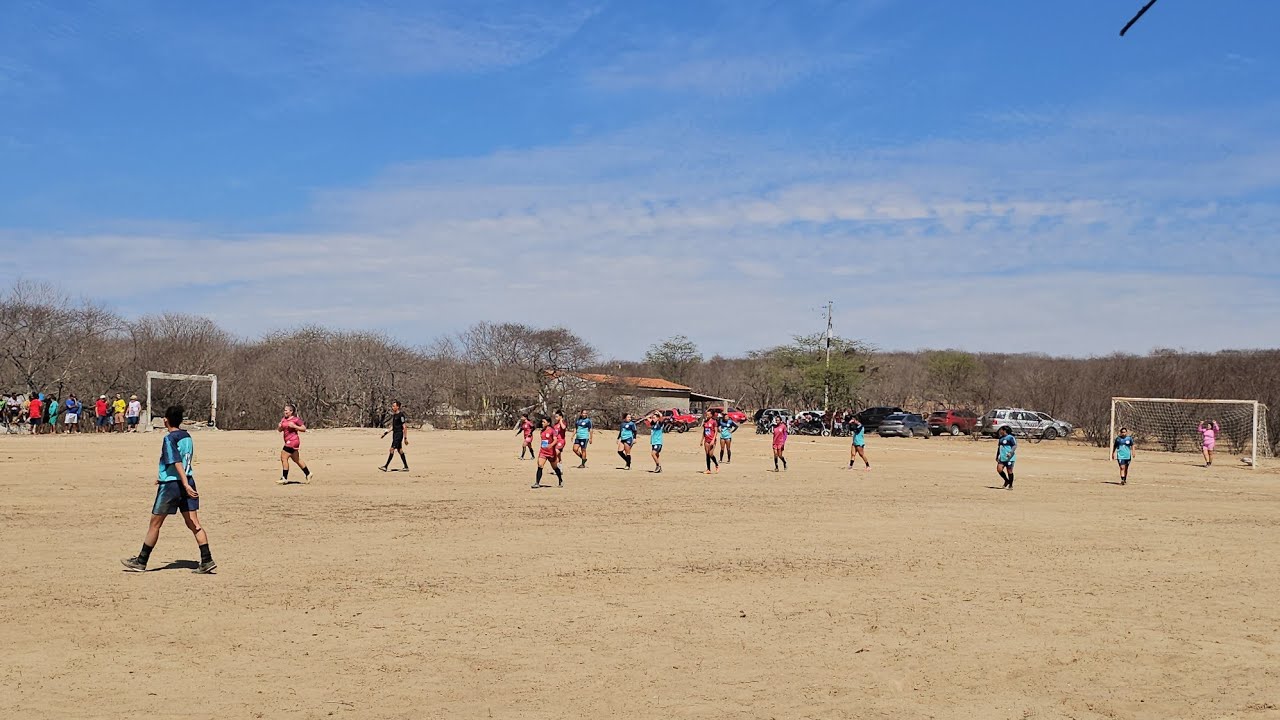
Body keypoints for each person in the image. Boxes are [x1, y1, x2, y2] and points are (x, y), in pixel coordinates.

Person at [120, 405, 216, 574]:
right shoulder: (187, 436)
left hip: (173, 486)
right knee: (194, 523)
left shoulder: (169, 438)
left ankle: (141, 561)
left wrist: (182, 483)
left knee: (155, 524)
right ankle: (206, 559)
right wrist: (168, 477)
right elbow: (184, 462)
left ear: (166, 420)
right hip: (187, 481)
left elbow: (176, 461)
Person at [277, 403, 313, 485]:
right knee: (296, 459)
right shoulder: (284, 419)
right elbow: (280, 430)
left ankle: (284, 478)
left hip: (293, 441)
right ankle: (308, 473)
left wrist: (295, 426)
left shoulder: (296, 420)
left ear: (291, 411)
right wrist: (279, 427)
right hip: (288, 441)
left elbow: (303, 428)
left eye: (286, 410)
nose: (285, 412)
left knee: (284, 457)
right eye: (284, 410)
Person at [532, 416, 564, 489]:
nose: (542, 423)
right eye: (542, 422)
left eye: (544, 422)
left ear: (548, 423)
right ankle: (537, 483)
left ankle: (560, 480)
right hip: (543, 451)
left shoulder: (552, 431)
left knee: (555, 468)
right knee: (540, 465)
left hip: (551, 452)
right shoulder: (542, 431)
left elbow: (555, 440)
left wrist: (551, 445)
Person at [379, 400, 410, 472]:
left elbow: (404, 427)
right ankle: (406, 467)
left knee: (391, 449)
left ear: (398, 407)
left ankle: (386, 466)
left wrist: (405, 438)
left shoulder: (401, 415)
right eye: (392, 406)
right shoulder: (394, 415)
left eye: (394, 406)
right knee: (400, 450)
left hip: (399, 435)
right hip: (395, 434)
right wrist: (385, 433)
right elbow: (393, 427)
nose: (392, 407)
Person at [701, 410, 720, 474]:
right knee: (707, 455)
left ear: (711, 415)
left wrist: (713, 440)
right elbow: (704, 431)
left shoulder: (714, 422)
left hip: (712, 440)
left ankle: (716, 464)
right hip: (706, 440)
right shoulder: (705, 422)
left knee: (710, 454)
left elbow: (716, 432)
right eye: (706, 414)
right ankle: (708, 469)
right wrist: (701, 440)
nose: (707, 415)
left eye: (708, 414)